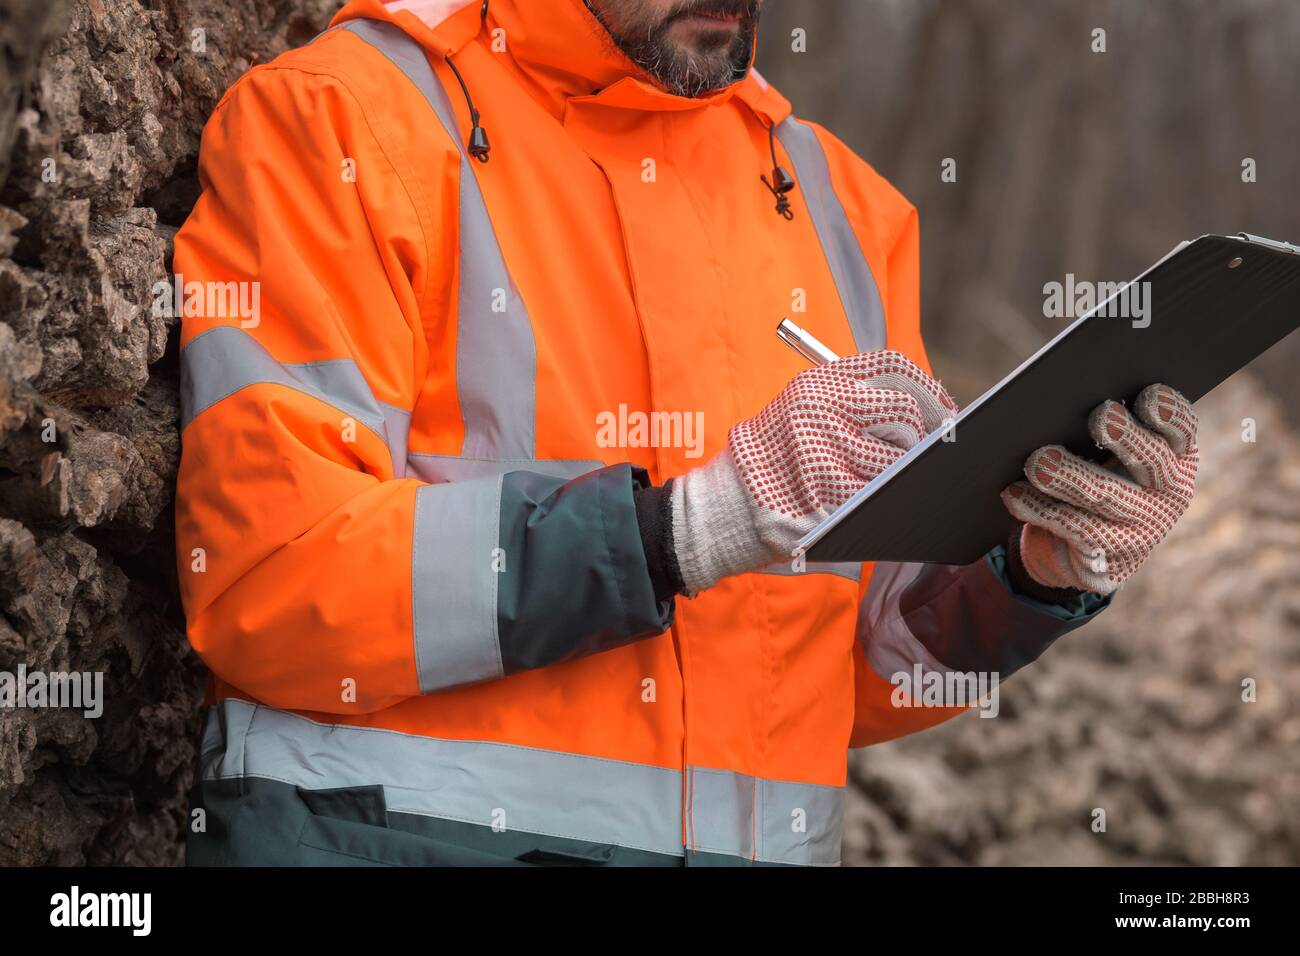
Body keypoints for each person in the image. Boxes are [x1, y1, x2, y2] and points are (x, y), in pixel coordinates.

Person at [173, 0, 1199, 866]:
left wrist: (1031, 572)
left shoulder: (841, 206)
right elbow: (269, 573)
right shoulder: (345, 119)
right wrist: (688, 528)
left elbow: (842, 666)